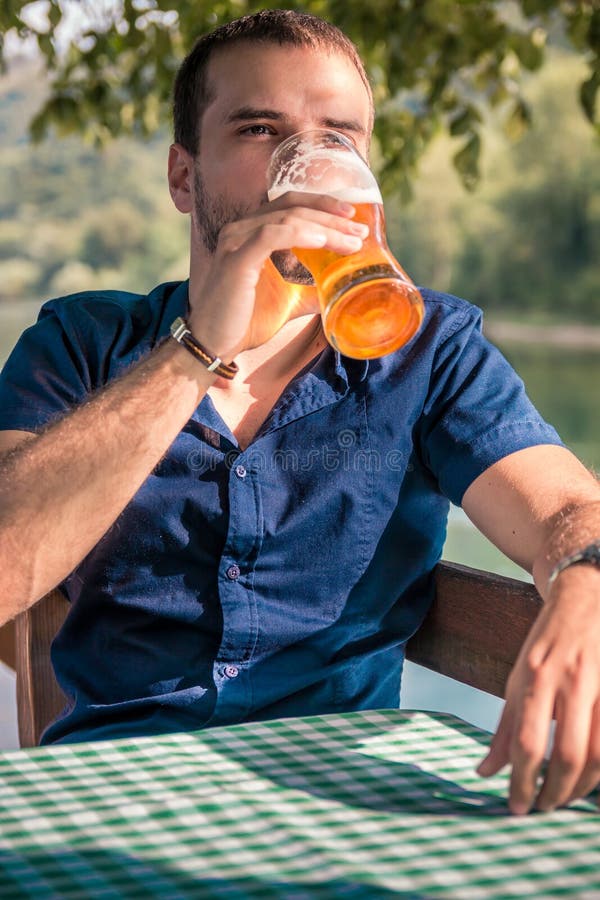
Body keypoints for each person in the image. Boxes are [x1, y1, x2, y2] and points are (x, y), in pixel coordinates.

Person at [0, 10, 598, 816]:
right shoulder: (84, 341)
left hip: (344, 798)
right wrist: (196, 351)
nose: (308, 163)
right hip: (115, 785)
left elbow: (565, 506)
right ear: (184, 177)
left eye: (339, 136)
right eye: (258, 128)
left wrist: (584, 581)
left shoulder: (430, 348)